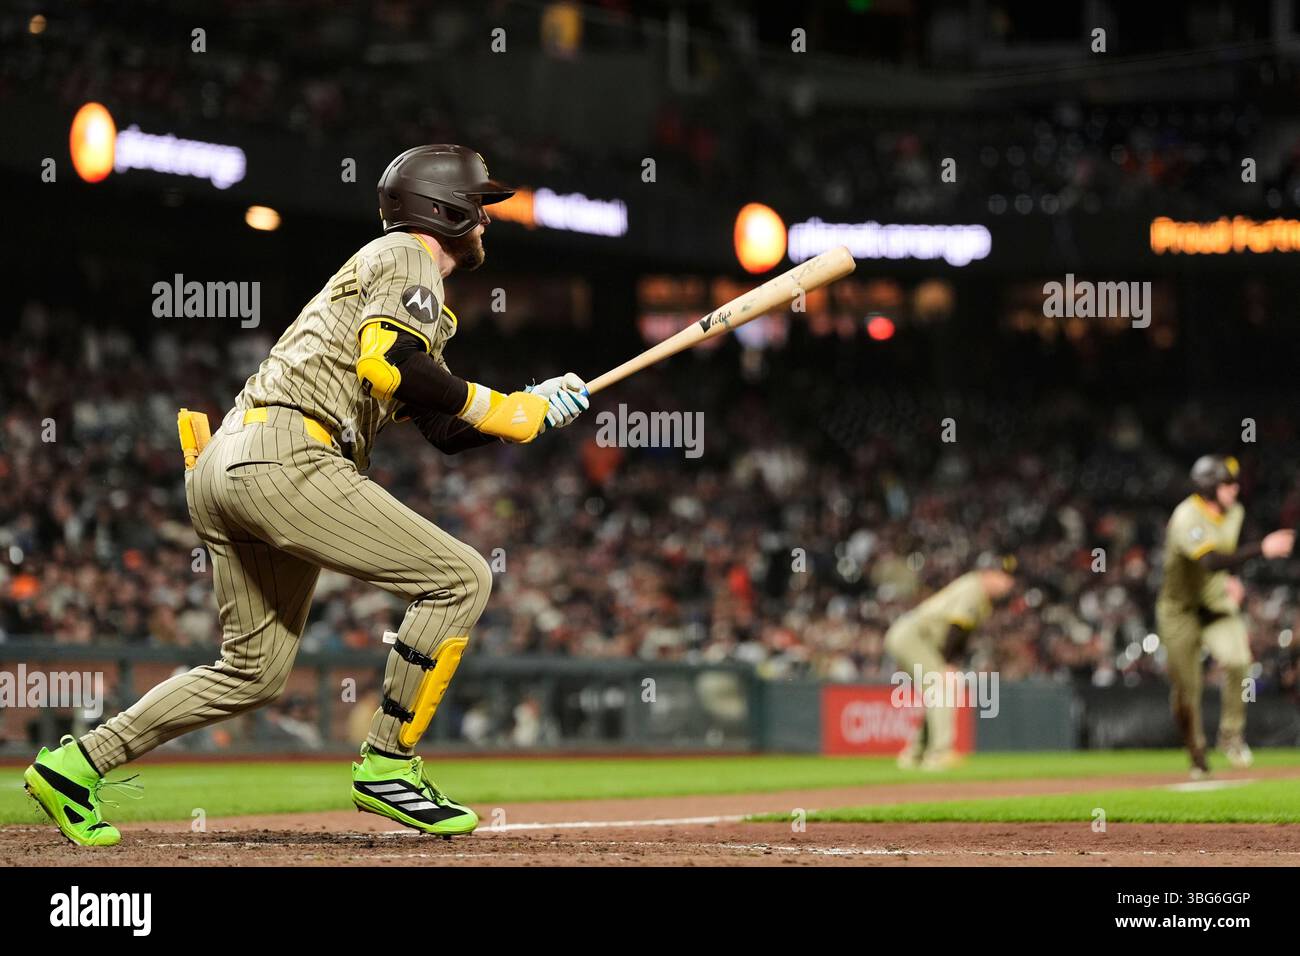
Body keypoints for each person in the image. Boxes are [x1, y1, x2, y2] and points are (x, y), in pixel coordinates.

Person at [24, 145, 591, 846]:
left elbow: (440, 423)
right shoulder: (410, 257)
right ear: (446, 211)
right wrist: (504, 409)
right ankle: (388, 763)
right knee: (460, 578)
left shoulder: (402, 287)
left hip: (227, 460)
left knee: (252, 672)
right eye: (481, 208)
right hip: (287, 455)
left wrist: (533, 406)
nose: (487, 223)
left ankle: (76, 764)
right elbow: (392, 366)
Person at [1156, 454, 1294, 777]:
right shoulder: (1186, 517)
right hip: (1179, 611)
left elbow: (1228, 558)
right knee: (1187, 692)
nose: (1234, 488)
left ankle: (1231, 735)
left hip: (1216, 604)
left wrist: (1234, 579)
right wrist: (1262, 548)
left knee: (1237, 660)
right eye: (1227, 483)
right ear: (1208, 487)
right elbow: (1211, 562)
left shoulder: (1236, 512)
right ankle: (1197, 753)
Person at [885, 557, 1016, 771]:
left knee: (936, 692)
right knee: (943, 686)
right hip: (913, 635)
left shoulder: (981, 596)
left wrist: (950, 662)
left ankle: (915, 754)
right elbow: (956, 627)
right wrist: (947, 663)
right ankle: (939, 754)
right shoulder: (973, 587)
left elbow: (963, 633)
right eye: (1003, 577)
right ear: (988, 574)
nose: (1007, 584)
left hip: (916, 637)